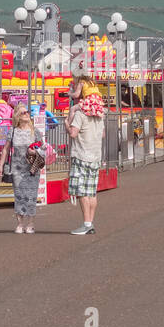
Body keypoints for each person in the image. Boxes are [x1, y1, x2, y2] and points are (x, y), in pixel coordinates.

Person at [66, 75, 105, 235]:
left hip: (81, 156)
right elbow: (102, 135)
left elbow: (73, 133)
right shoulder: (99, 117)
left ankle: (87, 224)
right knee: (91, 192)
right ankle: (90, 223)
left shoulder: (81, 115)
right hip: (95, 156)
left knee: (81, 191)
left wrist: (67, 125)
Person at [0, 104, 45, 234]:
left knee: (31, 196)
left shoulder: (35, 132)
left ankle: (30, 223)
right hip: (17, 168)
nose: (26, 114)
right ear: (17, 116)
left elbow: (44, 148)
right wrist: (1, 166)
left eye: (27, 112)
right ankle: (20, 223)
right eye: (23, 112)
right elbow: (6, 149)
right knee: (19, 196)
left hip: (32, 169)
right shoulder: (13, 131)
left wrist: (35, 152)